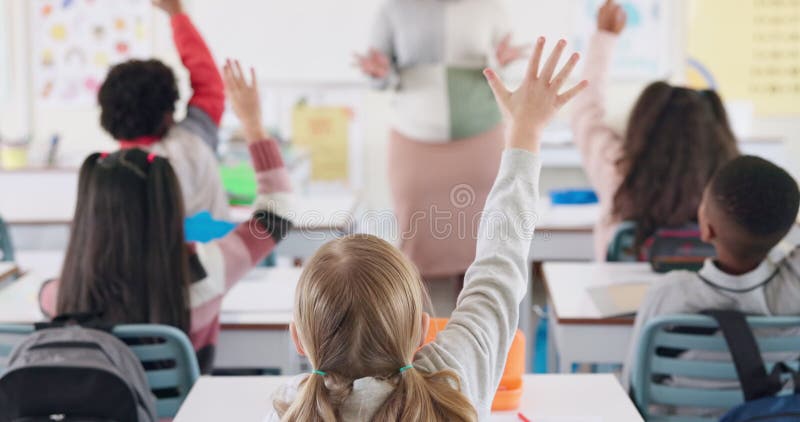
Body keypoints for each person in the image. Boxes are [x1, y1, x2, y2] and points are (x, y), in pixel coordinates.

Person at [269, 38, 587, 421]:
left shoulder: (289, 412)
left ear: (298, 339)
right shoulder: (456, 381)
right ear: (423, 330)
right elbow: (498, 272)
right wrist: (525, 132)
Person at [39, 61, 292, 372]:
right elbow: (278, 214)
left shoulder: (65, 295)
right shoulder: (205, 272)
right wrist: (253, 124)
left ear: (88, 217)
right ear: (170, 204)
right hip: (189, 403)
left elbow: (44, 294)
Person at [355, 0, 528, 282]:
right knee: (414, 247)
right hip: (414, 138)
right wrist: (380, 73)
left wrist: (501, 64)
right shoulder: (394, 10)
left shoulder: (490, 9)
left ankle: (480, 310)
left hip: (480, 137)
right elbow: (379, 76)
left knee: (484, 244)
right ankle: (413, 310)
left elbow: (506, 75)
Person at [622, 156, 800, 409]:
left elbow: (633, 385)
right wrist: (780, 227)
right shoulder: (795, 285)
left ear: (707, 229)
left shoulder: (669, 293)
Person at [571, 0, 739, 259]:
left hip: (621, 287)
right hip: (707, 288)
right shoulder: (730, 185)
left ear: (642, 127)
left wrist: (604, 38)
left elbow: (586, 112)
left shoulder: (618, 171)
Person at [97, 0, 229, 219]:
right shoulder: (193, 142)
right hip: (219, 242)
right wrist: (176, 14)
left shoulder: (109, 175)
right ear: (167, 115)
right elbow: (208, 81)